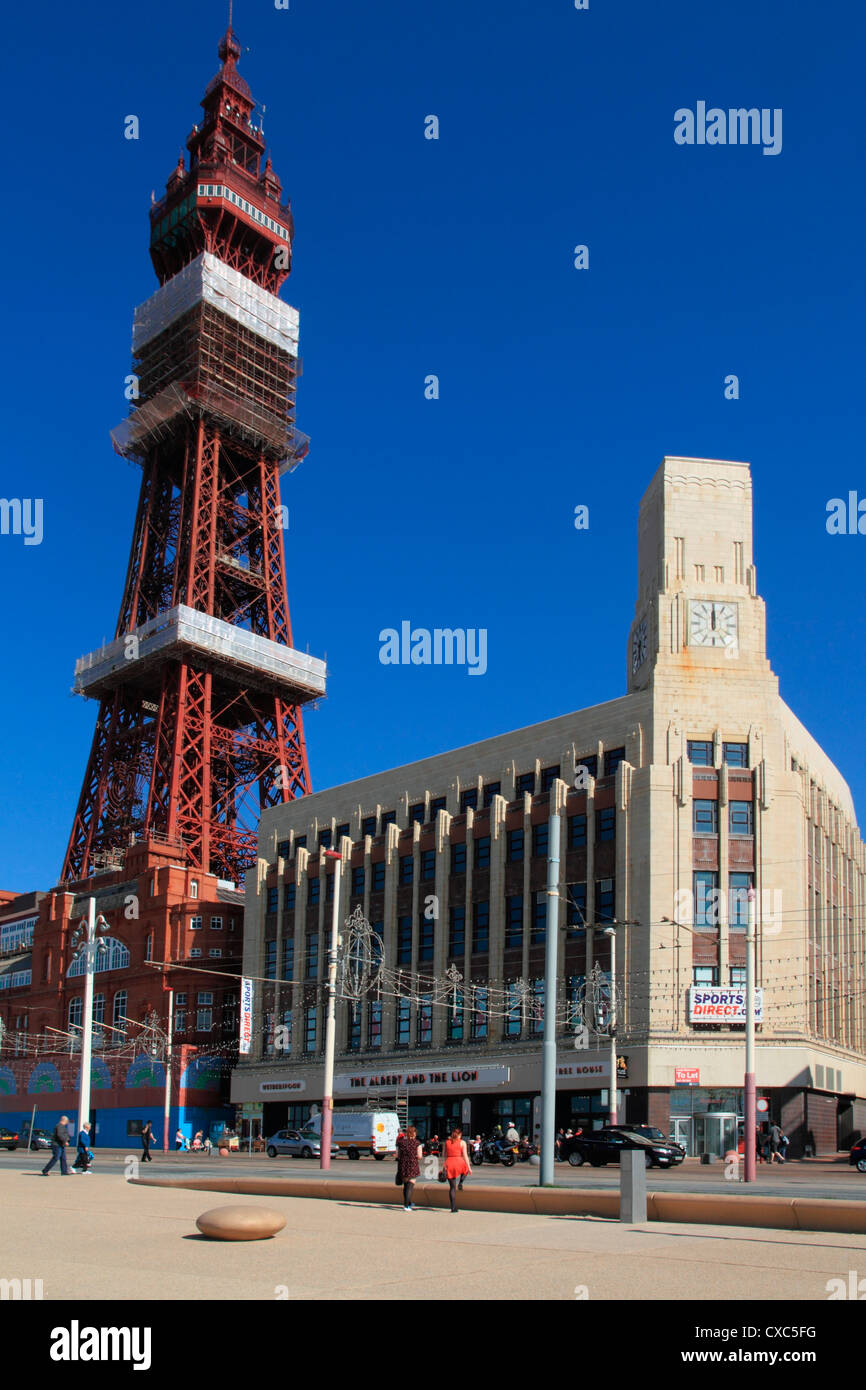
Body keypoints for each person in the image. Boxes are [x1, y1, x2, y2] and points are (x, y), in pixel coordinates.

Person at [443, 1126, 471, 1213]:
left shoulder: (447, 1142)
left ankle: (453, 1207)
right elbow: (465, 1156)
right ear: (460, 1135)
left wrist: (444, 1166)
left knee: (452, 1187)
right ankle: (461, 1182)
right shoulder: (462, 1143)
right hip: (459, 1161)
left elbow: (444, 1155)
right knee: (465, 1170)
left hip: (449, 1162)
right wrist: (469, 1167)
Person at [395, 1123, 422, 1211]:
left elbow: (398, 1155)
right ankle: (406, 1206)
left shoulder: (401, 1143)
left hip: (403, 1165)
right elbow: (420, 1156)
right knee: (410, 1185)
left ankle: (408, 1202)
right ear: (414, 1133)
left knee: (406, 1185)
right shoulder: (417, 1143)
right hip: (412, 1164)